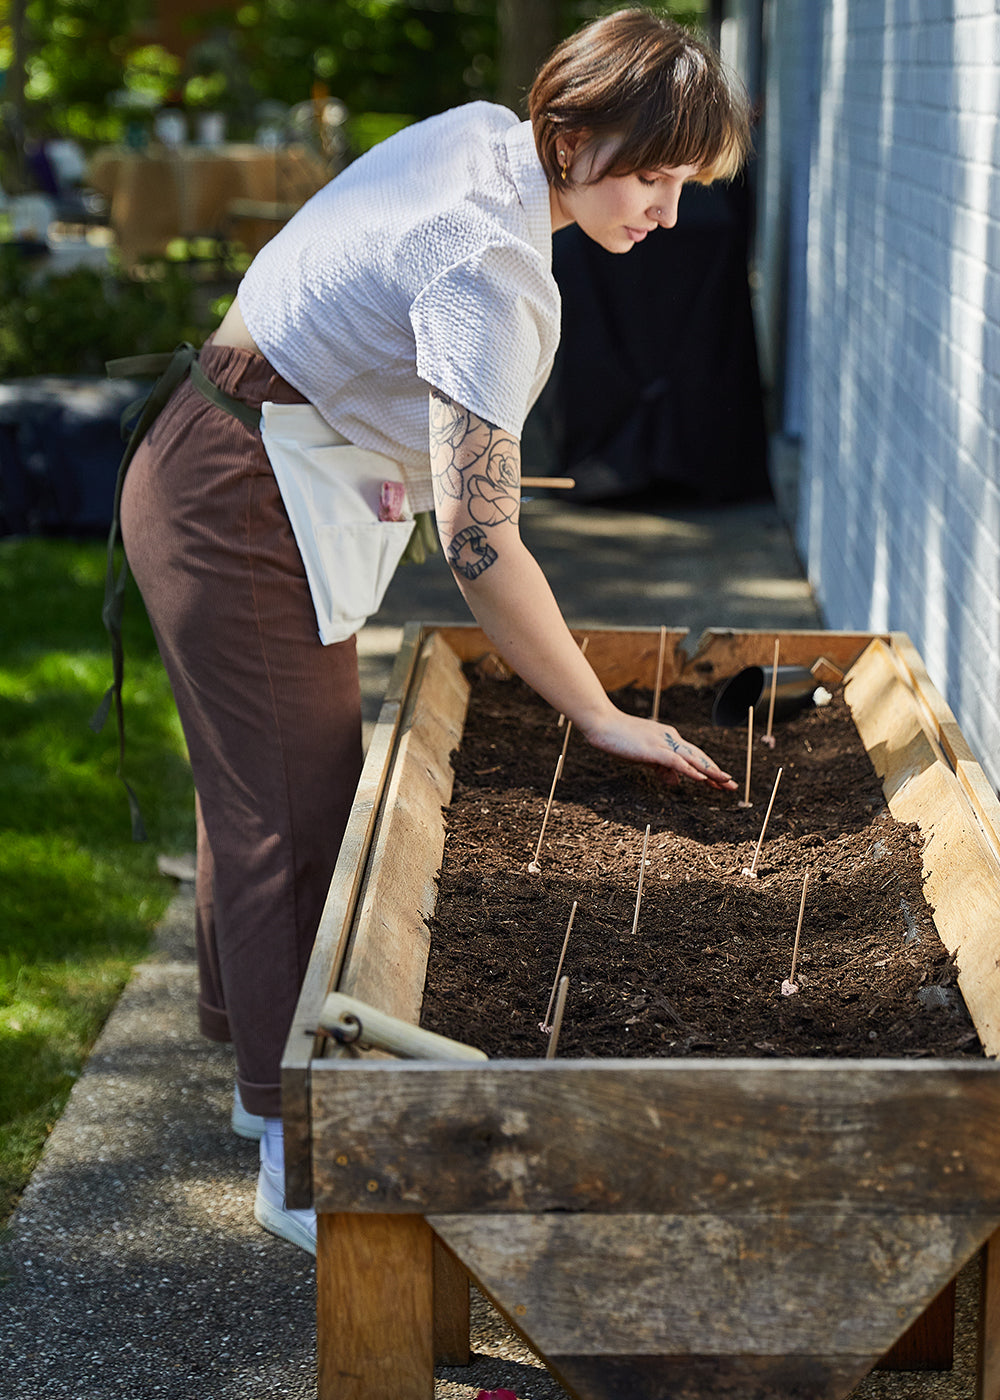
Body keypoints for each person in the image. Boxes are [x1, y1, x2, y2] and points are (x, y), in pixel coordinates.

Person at [117, 7, 751, 1255]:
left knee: (259, 790)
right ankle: (301, 1163)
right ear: (569, 135)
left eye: (689, 184)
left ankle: (255, 1087)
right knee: (294, 819)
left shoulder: (484, 138)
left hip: (230, 454)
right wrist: (596, 709)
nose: (667, 212)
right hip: (235, 492)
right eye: (651, 175)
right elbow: (480, 543)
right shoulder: (492, 261)